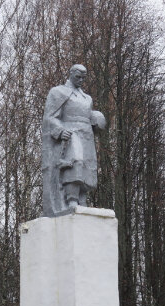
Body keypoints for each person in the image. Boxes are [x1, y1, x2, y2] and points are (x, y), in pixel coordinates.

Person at [41, 64, 106, 216]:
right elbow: (49, 117)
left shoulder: (87, 98)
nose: (81, 80)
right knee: (75, 162)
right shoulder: (58, 92)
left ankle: (82, 200)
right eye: (78, 76)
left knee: (87, 166)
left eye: (84, 77)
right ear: (70, 74)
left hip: (86, 134)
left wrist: (97, 119)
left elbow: (89, 116)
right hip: (71, 133)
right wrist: (60, 130)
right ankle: (71, 199)